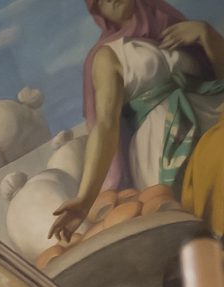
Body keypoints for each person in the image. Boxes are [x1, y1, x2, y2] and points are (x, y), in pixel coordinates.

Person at [51, 3, 224, 247]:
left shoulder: (175, 32)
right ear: (99, 13)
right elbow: (105, 126)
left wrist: (206, 34)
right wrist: (85, 198)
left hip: (209, 115)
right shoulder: (108, 55)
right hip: (166, 144)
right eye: (101, 0)